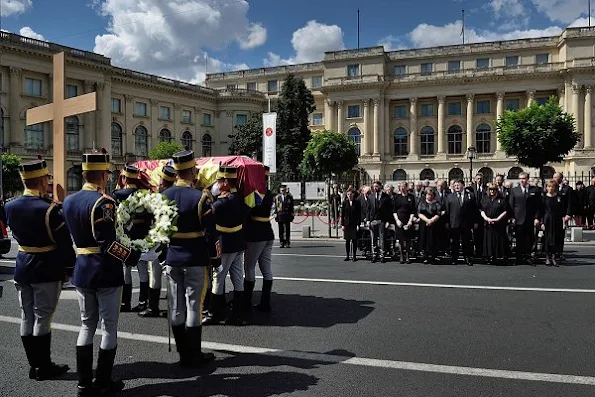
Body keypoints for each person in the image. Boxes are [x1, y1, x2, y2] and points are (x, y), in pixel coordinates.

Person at [63, 150, 141, 396]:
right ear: (104, 175)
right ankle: (103, 382)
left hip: (83, 270)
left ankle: (83, 384)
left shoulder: (69, 200)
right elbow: (107, 243)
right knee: (108, 327)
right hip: (105, 270)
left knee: (86, 325)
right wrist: (132, 257)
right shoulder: (104, 202)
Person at [5, 158, 74, 381]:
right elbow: (63, 242)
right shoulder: (50, 209)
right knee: (42, 317)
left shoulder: (9, 205)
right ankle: (43, 367)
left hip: (23, 264)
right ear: (43, 180)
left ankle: (34, 365)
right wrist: (69, 266)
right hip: (46, 267)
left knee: (26, 315)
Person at [161, 150, 215, 367]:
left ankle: (183, 353)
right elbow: (211, 232)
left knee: (176, 306)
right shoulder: (200, 197)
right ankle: (193, 354)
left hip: (173, 257)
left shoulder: (163, 196)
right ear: (192, 171)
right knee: (194, 306)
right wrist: (215, 258)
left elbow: (159, 230)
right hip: (195, 257)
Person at [204, 166, 247, 326]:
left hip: (226, 244)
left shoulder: (224, 202)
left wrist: (207, 197)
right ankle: (238, 314)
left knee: (218, 277)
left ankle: (214, 314)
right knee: (237, 278)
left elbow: (205, 214)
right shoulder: (237, 196)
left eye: (219, 180)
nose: (216, 183)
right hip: (238, 243)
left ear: (226, 182)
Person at [138, 165, 177, 318]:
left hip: (158, 241)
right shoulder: (176, 194)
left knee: (155, 275)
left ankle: (153, 307)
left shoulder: (159, 196)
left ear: (163, 180)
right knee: (173, 276)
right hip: (174, 241)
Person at [112, 165, 151, 313]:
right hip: (141, 235)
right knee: (143, 270)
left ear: (124, 178)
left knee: (125, 270)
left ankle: (125, 303)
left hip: (124, 236)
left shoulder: (117, 194)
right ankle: (143, 302)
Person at [244, 166, 275, 312]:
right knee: (266, 269)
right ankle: (265, 302)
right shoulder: (269, 193)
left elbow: (247, 211)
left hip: (256, 233)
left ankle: (247, 301)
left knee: (249, 267)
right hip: (268, 232)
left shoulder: (256, 194)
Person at [509, 172, 541, 266]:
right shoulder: (514, 190)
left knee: (529, 239)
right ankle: (519, 258)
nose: (522, 180)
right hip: (518, 219)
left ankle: (528, 257)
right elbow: (511, 205)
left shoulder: (534, 190)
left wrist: (537, 218)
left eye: (524, 178)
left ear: (527, 179)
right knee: (519, 239)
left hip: (530, 219)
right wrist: (512, 217)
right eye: (520, 178)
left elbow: (538, 206)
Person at [444, 179, 477, 266]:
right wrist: (447, 222)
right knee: (455, 242)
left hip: (466, 223)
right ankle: (454, 258)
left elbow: (474, 210)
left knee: (467, 242)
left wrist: (475, 222)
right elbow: (447, 211)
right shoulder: (450, 197)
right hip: (454, 223)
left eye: (458, 185)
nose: (457, 187)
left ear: (463, 185)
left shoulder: (470, 195)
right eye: (455, 186)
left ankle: (467, 258)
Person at [481, 183, 509, 265]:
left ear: (497, 190)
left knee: (498, 240)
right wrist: (486, 218)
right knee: (488, 241)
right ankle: (489, 257)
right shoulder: (485, 199)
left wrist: (497, 219)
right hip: (488, 224)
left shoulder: (502, 199)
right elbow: (481, 210)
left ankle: (498, 256)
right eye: (490, 189)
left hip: (499, 224)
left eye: (494, 189)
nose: (492, 191)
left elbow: (505, 211)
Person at [540, 180, 565, 266]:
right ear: (546, 187)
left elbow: (562, 209)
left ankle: (554, 257)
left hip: (557, 220)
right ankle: (547, 257)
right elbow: (541, 211)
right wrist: (542, 222)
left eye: (552, 187)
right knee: (547, 239)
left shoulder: (559, 197)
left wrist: (564, 219)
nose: (550, 188)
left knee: (556, 239)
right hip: (547, 220)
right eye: (549, 186)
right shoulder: (543, 197)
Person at [367, 181, 392, 263]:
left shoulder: (386, 197)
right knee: (373, 238)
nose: (375, 188)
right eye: (374, 186)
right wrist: (368, 220)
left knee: (382, 239)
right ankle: (374, 255)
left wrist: (388, 221)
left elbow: (389, 210)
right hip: (373, 220)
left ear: (380, 186)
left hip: (382, 220)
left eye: (377, 186)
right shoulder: (370, 196)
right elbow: (368, 209)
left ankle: (382, 255)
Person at [392, 182, 415, 264]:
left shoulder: (411, 197)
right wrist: (397, 220)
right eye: (400, 187)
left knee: (407, 239)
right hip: (399, 220)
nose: (402, 188)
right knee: (400, 239)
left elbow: (413, 210)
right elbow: (394, 210)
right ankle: (401, 256)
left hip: (408, 219)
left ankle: (408, 256)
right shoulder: (396, 197)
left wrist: (410, 221)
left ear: (406, 187)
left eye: (403, 186)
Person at [417, 188, 441, 264]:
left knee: (433, 239)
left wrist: (431, 220)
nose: (429, 196)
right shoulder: (422, 203)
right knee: (424, 239)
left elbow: (438, 213)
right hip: (424, 224)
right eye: (428, 194)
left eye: (431, 194)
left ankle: (433, 256)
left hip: (434, 224)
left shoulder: (437, 203)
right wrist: (427, 220)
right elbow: (419, 213)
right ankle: (425, 257)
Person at [553, 172, 573, 258]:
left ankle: (559, 252)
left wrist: (568, 214)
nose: (554, 179)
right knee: (552, 234)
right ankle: (552, 252)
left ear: (561, 178)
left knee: (560, 234)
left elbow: (570, 203)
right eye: (553, 177)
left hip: (562, 215)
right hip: (552, 214)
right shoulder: (551, 187)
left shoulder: (567, 189)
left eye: (556, 177)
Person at [341, 188, 361, 261]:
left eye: (351, 194)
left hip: (354, 224)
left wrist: (358, 225)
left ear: (353, 194)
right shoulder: (344, 202)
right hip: (347, 224)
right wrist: (342, 224)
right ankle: (347, 255)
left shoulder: (357, 202)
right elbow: (342, 215)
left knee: (354, 240)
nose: (349, 196)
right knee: (347, 241)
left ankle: (354, 256)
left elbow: (359, 214)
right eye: (348, 194)